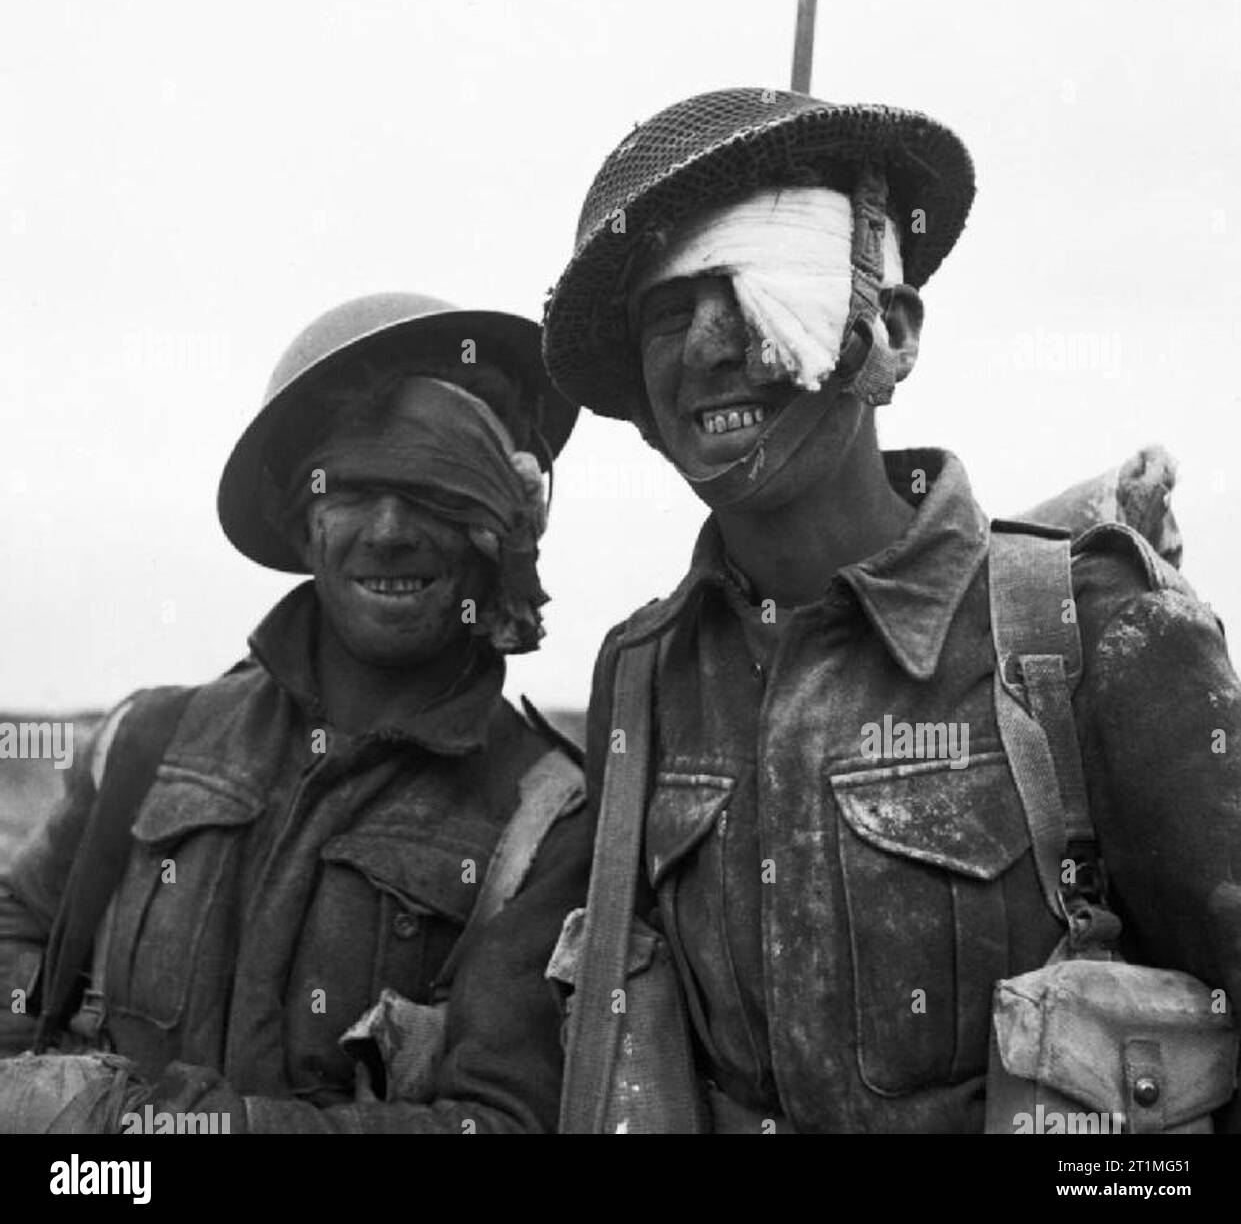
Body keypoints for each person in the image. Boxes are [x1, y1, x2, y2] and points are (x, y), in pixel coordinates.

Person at [541, 88, 1241, 1133]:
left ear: (892, 336)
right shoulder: (642, 676)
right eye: (665, 314)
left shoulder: (1087, 628)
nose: (706, 346)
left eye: (755, 290)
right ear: (643, 412)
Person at [0, 291, 589, 1133]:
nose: (387, 530)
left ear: (503, 528)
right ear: (303, 516)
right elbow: (21, 925)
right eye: (351, 487)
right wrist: (40, 1096)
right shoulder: (151, 741)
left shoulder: (548, 823)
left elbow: (499, 1123)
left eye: (433, 489)